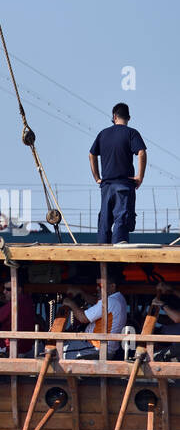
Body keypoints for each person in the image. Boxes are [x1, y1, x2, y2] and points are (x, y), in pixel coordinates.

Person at [89, 102, 146, 245]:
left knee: (104, 222)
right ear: (129, 117)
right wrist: (140, 176)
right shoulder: (132, 133)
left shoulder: (103, 134)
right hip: (124, 185)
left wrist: (97, 177)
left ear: (114, 116)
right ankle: (118, 262)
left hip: (106, 186)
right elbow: (141, 152)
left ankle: (103, 258)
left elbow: (91, 155)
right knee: (121, 220)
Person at [61, 272, 128, 358]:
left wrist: (70, 303)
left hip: (97, 347)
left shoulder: (109, 301)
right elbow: (95, 302)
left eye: (100, 286)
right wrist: (81, 293)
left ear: (112, 286)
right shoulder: (118, 298)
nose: (97, 288)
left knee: (59, 351)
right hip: (100, 345)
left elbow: (83, 318)